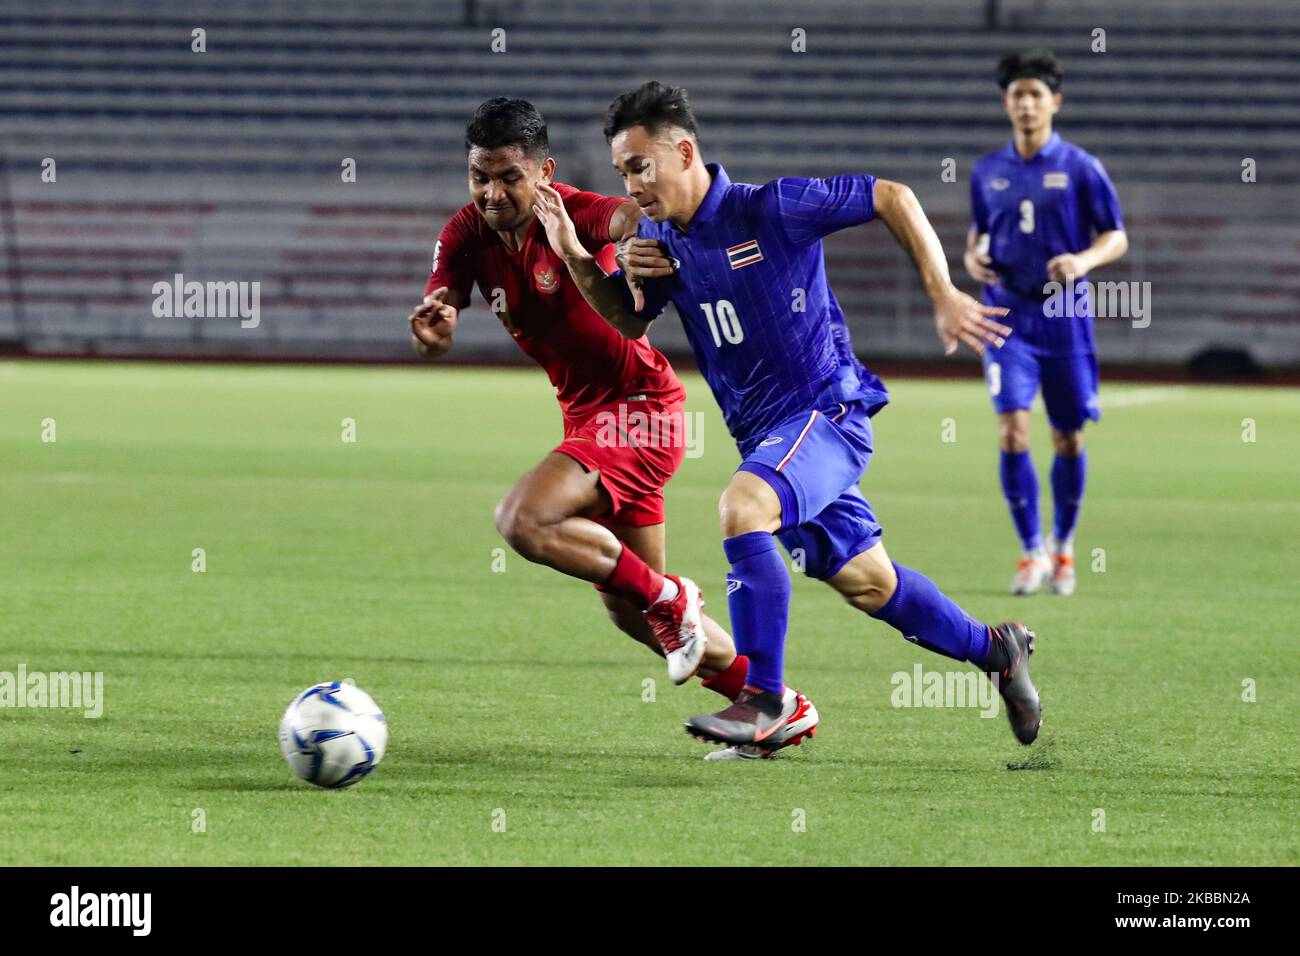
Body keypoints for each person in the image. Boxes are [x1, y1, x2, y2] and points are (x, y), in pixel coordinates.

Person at [533, 81, 1042, 752]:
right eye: (622, 172)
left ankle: (765, 701)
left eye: (639, 167)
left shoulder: (773, 208)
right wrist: (577, 255)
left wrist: (943, 290)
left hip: (827, 414)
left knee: (742, 509)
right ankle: (998, 650)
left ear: (683, 152)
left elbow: (893, 195)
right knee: (869, 583)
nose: (629, 186)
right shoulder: (658, 239)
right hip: (767, 438)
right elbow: (629, 322)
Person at [409, 96, 819, 754]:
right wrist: (435, 327)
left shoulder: (572, 211)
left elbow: (626, 216)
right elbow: (442, 303)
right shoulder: (465, 234)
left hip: (641, 411)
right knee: (632, 614)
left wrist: (633, 246)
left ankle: (671, 598)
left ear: (543, 172)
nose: (492, 193)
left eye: (510, 177)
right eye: (480, 177)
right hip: (590, 420)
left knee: (523, 520)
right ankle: (776, 706)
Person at [965, 50, 1128, 595]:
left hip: (1063, 312)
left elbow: (1116, 235)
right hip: (1006, 313)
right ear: (1006, 105)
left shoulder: (1081, 167)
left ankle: (1064, 544)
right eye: (1018, 95)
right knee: (1012, 429)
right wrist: (970, 257)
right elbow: (979, 234)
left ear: (1055, 102)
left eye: (1036, 94)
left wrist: (1083, 261)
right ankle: (1030, 550)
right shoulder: (987, 171)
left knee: (1067, 436)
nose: (1027, 104)